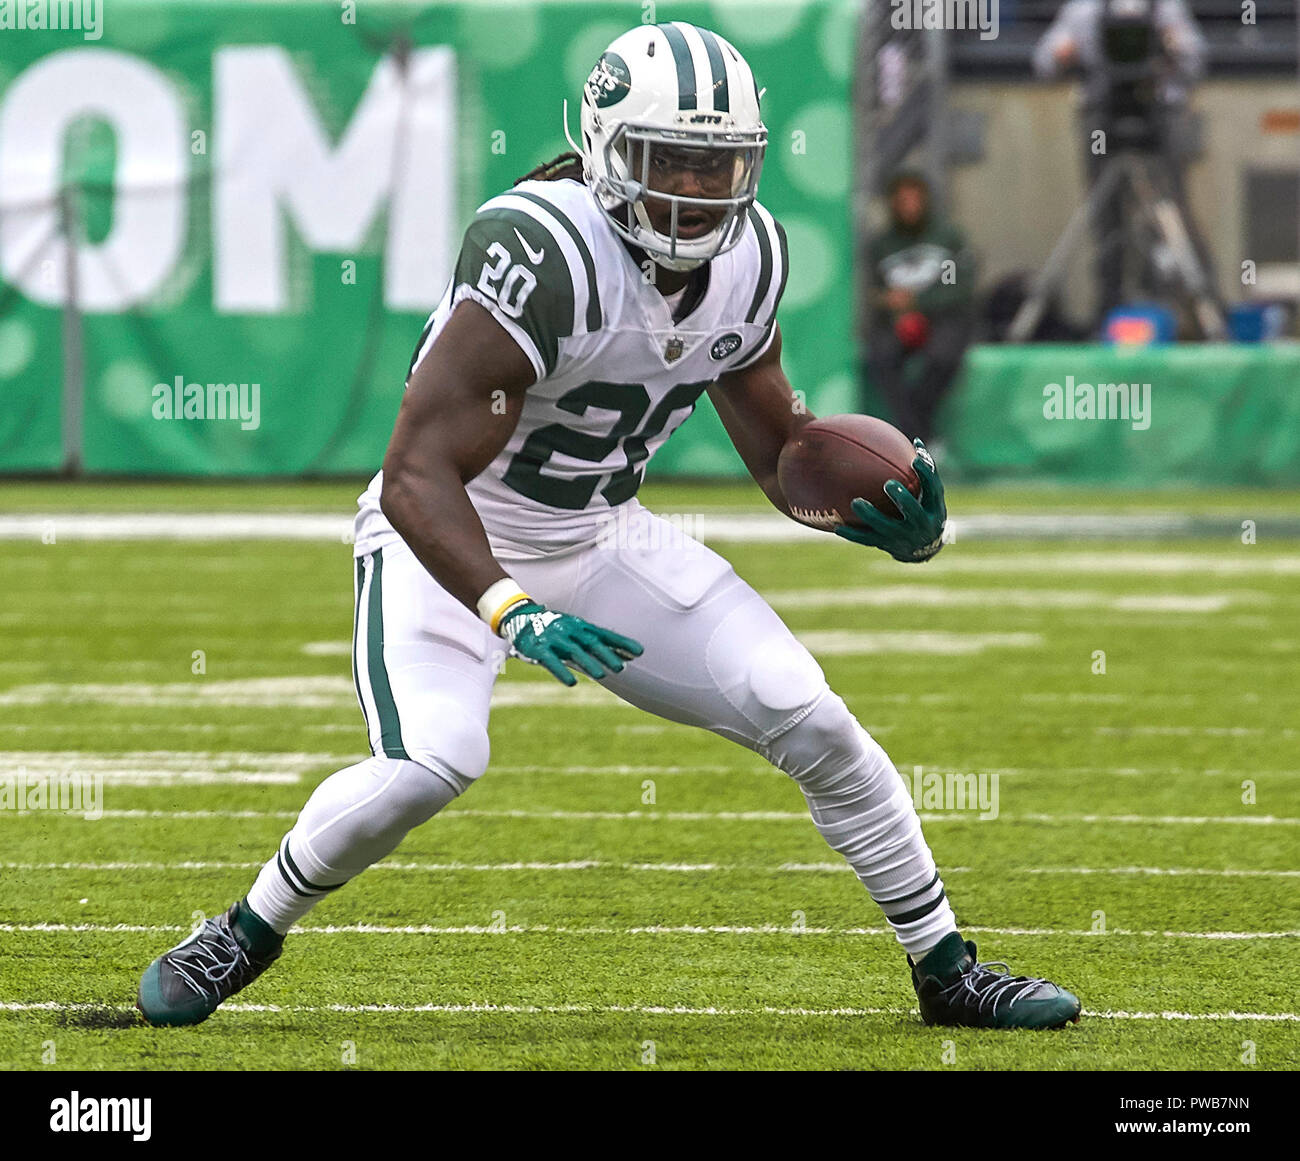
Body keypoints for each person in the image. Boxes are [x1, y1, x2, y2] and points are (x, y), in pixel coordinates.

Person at [136, 22, 1080, 1031]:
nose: (697, 187)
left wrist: (880, 515)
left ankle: (945, 970)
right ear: (605, 149)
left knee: (802, 708)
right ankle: (242, 930)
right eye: (671, 157)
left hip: (598, 533)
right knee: (434, 760)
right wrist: (508, 608)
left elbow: (779, 450)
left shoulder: (750, 256)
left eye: (719, 163)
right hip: (453, 535)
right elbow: (414, 472)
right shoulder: (543, 254)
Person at [1033, 0, 1208, 323]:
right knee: (1105, 218)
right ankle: (1109, 308)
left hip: (1157, 120)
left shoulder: (1166, 8)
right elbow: (1043, 62)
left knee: (1169, 216)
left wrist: (1174, 45)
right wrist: (1062, 54)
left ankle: (1174, 310)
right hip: (1103, 121)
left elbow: (1197, 62)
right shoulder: (1082, 10)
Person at [864, 171, 975, 447]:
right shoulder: (881, 244)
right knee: (881, 356)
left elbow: (962, 287)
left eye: (915, 199)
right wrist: (890, 304)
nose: (909, 206)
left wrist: (917, 302)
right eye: (902, 200)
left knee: (942, 357)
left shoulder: (948, 237)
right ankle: (918, 439)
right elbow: (872, 291)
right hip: (897, 320)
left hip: (943, 317)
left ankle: (912, 435)